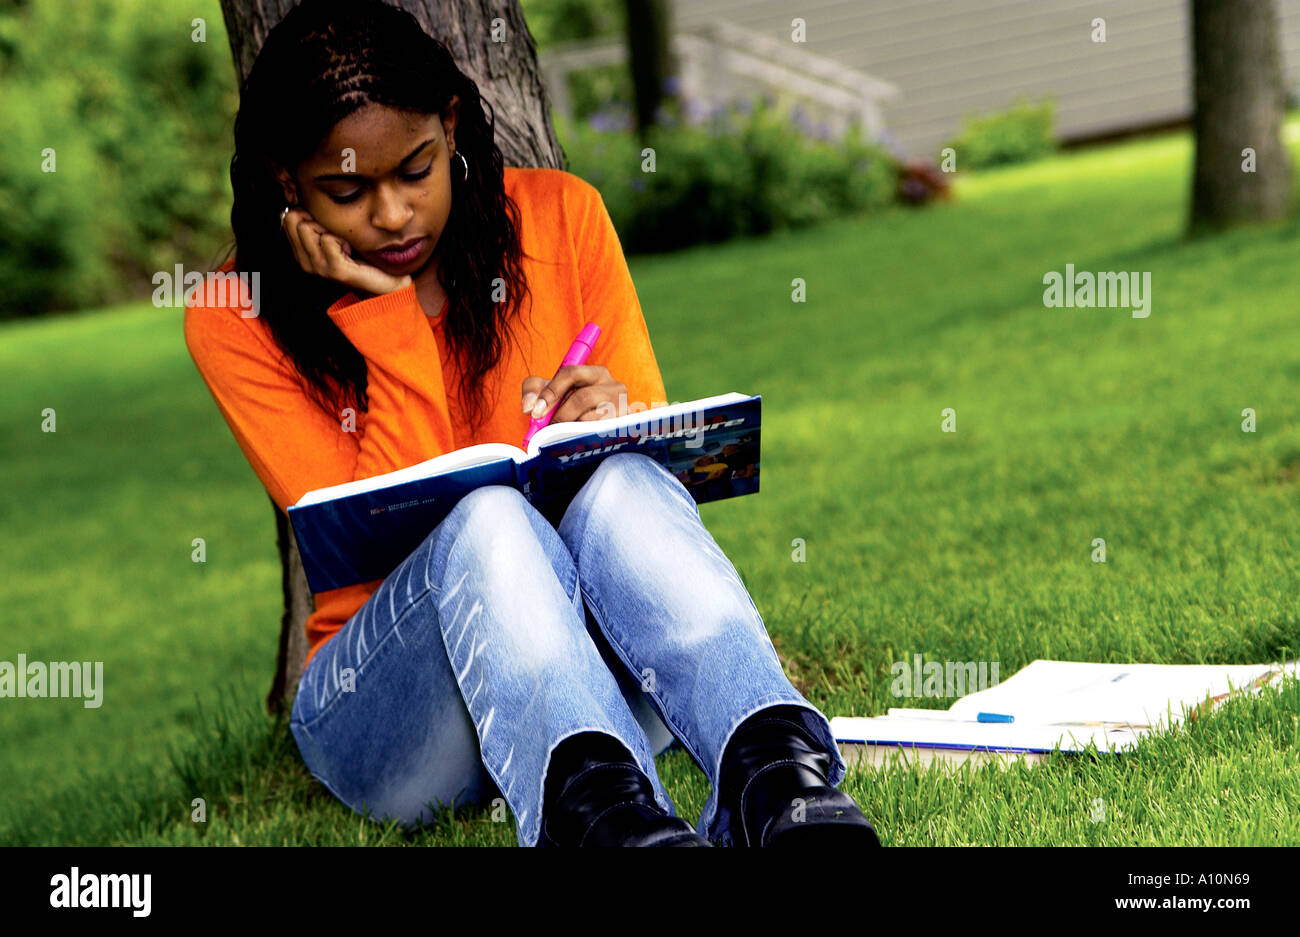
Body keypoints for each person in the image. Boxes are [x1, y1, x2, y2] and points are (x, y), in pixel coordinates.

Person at [183, 0, 879, 848]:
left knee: (625, 479)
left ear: (450, 128)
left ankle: (776, 773)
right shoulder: (232, 315)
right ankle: (596, 824)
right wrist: (388, 319)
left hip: (584, 672)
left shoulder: (561, 217)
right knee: (485, 514)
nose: (395, 216)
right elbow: (375, 536)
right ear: (286, 182)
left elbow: (660, 498)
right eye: (348, 190)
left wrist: (619, 422)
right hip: (391, 712)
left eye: (416, 170)